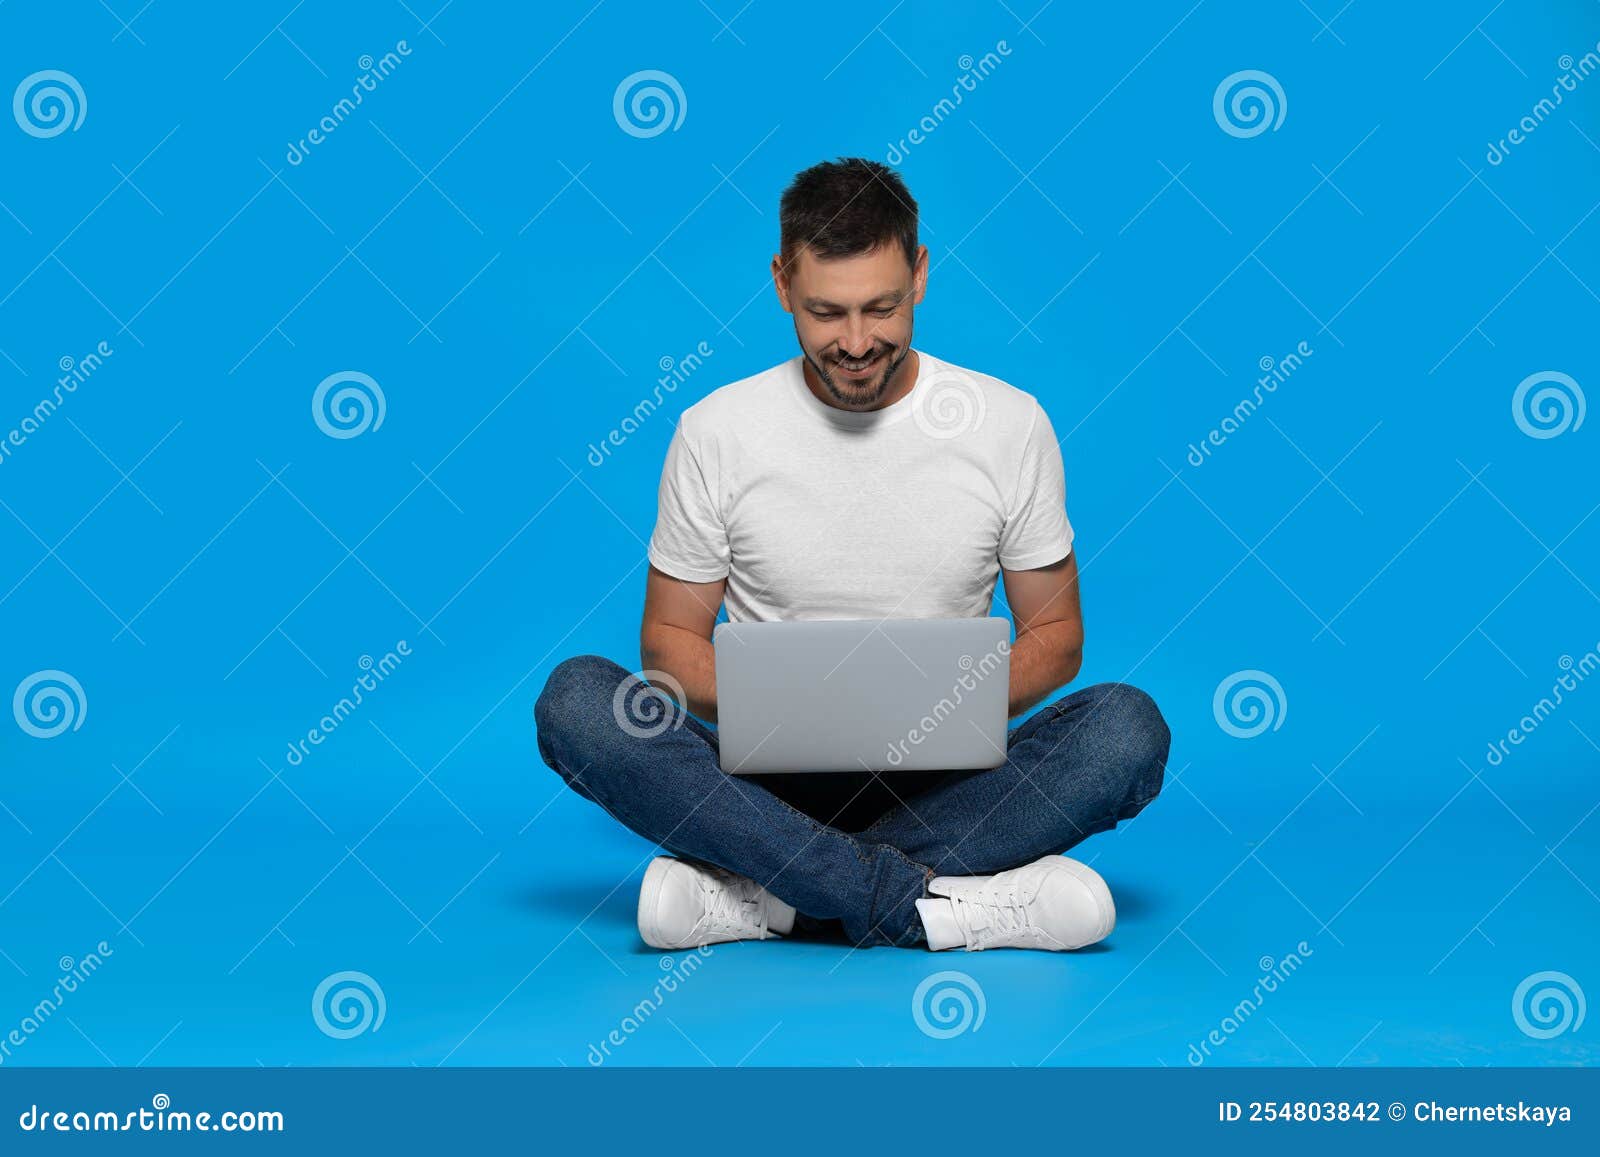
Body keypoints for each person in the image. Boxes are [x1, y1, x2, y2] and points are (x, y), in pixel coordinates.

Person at [536, 157, 1170, 952]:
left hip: (952, 782)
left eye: (883, 307)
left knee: (1125, 730)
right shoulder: (716, 430)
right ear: (780, 284)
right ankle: (933, 906)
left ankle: (776, 898)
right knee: (578, 703)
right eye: (827, 313)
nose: (859, 342)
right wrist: (800, 706)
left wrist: (939, 705)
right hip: (764, 787)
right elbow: (668, 642)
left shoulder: (1010, 424)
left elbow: (1058, 637)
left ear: (921, 274)